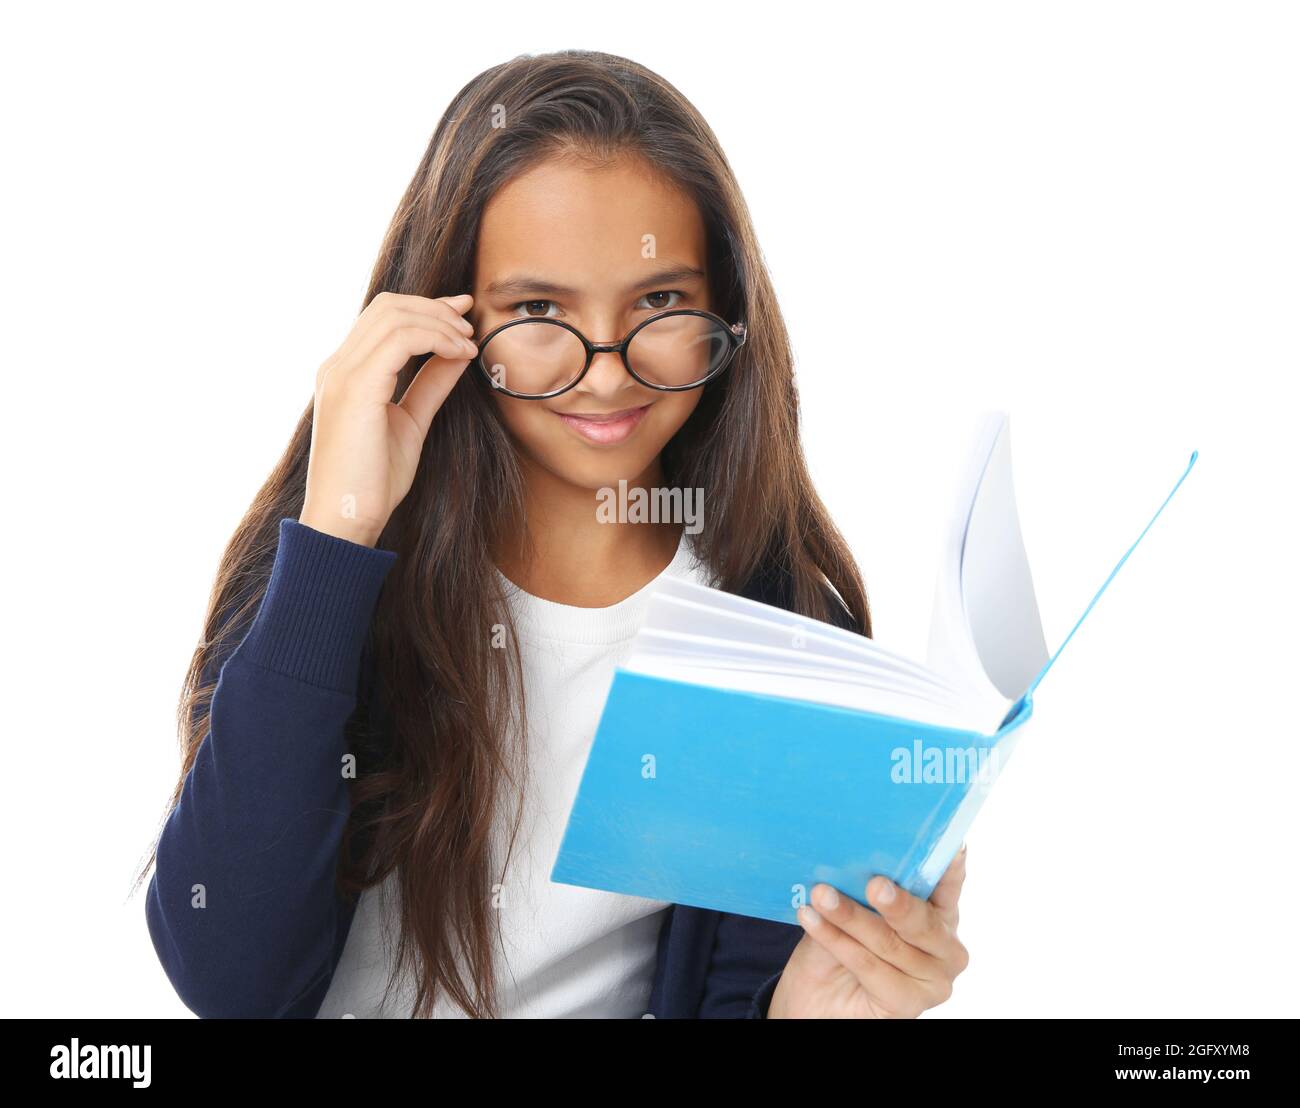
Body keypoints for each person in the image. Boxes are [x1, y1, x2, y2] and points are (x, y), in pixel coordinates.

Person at [140, 48, 970, 1019]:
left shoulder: (772, 626)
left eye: (658, 304)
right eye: (538, 311)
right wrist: (338, 528)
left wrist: (808, 1010)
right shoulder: (342, 569)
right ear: (446, 315)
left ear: (726, 314)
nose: (606, 375)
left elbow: (736, 992)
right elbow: (228, 979)